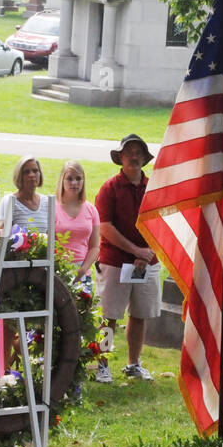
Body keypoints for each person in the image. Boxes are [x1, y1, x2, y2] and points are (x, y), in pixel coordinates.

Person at [95, 134, 162, 382]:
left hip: (147, 262)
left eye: (138, 152)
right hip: (115, 262)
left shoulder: (154, 187)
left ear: (144, 158)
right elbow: (105, 227)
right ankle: (102, 364)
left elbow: (160, 222)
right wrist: (136, 251)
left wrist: (147, 253)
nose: (134, 156)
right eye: (129, 152)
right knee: (110, 315)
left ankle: (134, 363)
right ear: (120, 157)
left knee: (139, 314)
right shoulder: (109, 188)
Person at [55, 160, 100, 282]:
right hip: (57, 271)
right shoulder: (52, 207)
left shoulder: (91, 210)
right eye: (69, 179)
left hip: (83, 273)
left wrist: (83, 270)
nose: (74, 183)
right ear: (62, 181)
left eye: (79, 178)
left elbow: (95, 246)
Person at [0, 155, 52, 234]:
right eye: (26, 172)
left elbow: (51, 237)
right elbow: (2, 237)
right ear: (19, 176)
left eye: (35, 171)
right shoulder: (9, 201)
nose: (32, 175)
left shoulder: (47, 202)